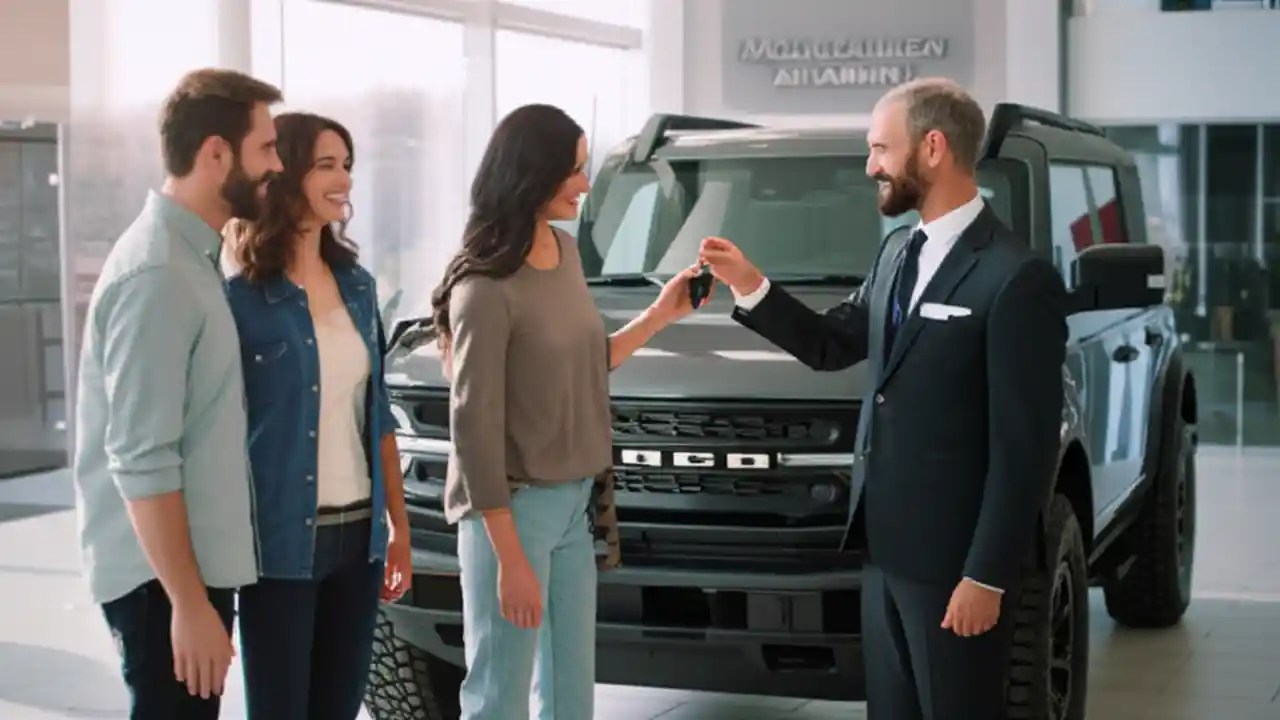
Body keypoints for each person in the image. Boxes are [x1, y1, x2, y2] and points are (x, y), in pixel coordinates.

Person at [699, 77, 1069, 719]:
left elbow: (1024, 450)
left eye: (880, 149)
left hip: (957, 567)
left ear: (932, 148)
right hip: (885, 556)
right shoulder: (899, 252)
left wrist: (985, 575)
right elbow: (829, 345)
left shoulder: (1017, 278)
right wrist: (750, 284)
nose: (870, 166)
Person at [430, 103, 710, 720]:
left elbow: (584, 362)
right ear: (533, 174)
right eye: (574, 171)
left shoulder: (564, 251)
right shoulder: (483, 288)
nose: (585, 185)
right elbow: (473, 430)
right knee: (498, 698)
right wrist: (509, 559)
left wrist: (661, 314)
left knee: (569, 697)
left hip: (571, 508)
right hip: (511, 513)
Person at [71, 68, 283, 719]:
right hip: (162, 586)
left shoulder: (191, 258)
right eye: (267, 148)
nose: (277, 166)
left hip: (183, 575)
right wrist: (189, 605)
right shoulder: (159, 273)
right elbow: (141, 458)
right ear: (216, 152)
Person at [221, 112, 410, 720]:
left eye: (348, 165)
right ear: (287, 171)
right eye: (327, 165)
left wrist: (398, 527)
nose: (344, 180)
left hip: (358, 539)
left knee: (339, 708)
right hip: (279, 543)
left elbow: (377, 414)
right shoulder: (241, 295)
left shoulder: (357, 285)